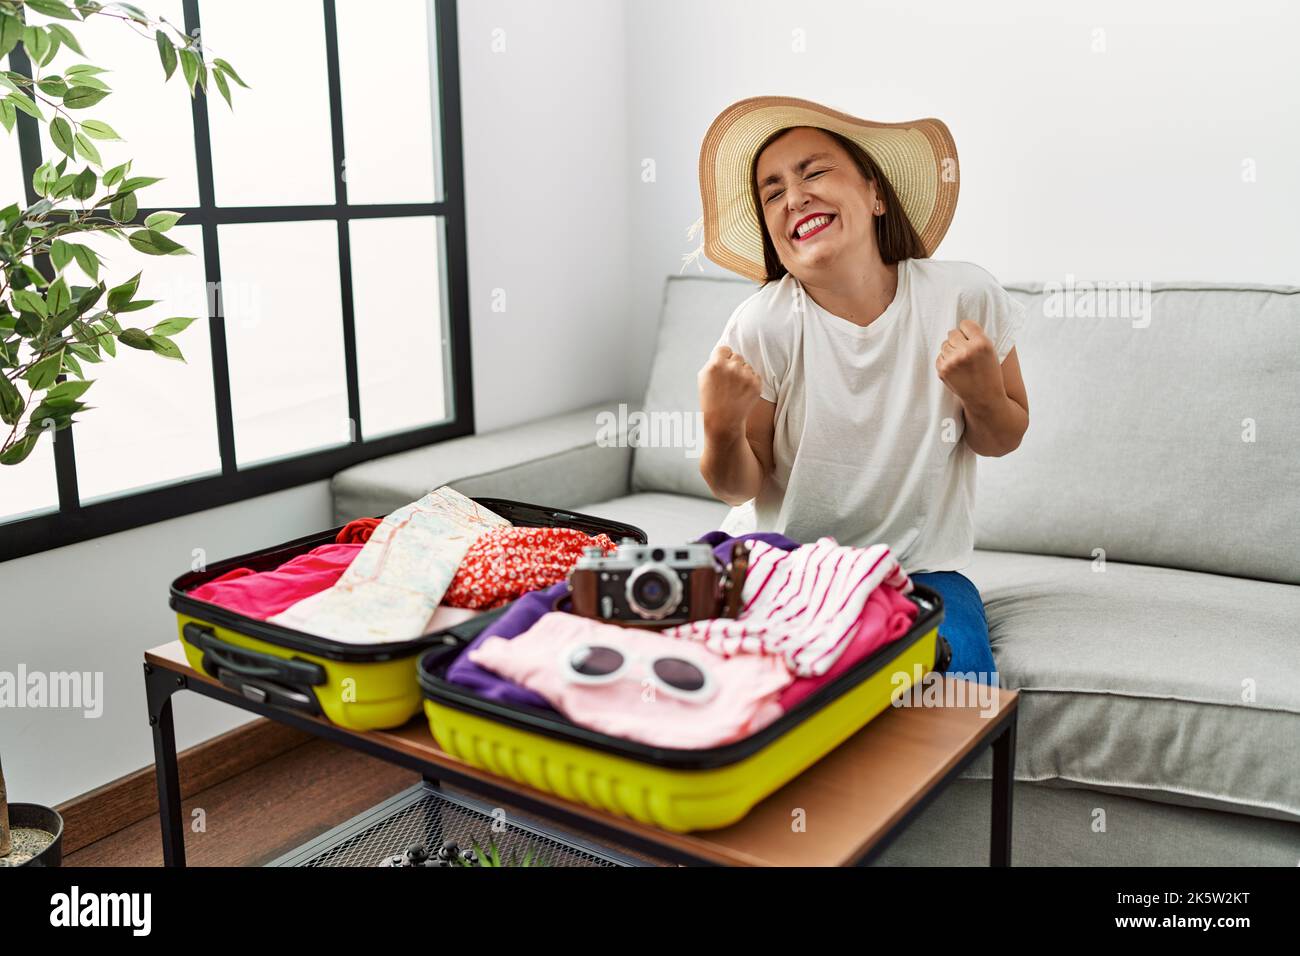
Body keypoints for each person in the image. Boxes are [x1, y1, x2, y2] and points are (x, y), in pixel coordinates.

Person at [694, 96, 1029, 686]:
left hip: (923, 572)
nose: (793, 196)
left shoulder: (965, 297)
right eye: (772, 193)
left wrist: (981, 394)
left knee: (959, 691)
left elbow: (1004, 436)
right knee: (745, 684)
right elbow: (738, 483)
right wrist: (720, 427)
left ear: (875, 195)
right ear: (776, 236)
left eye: (814, 172)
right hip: (787, 565)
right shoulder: (762, 326)